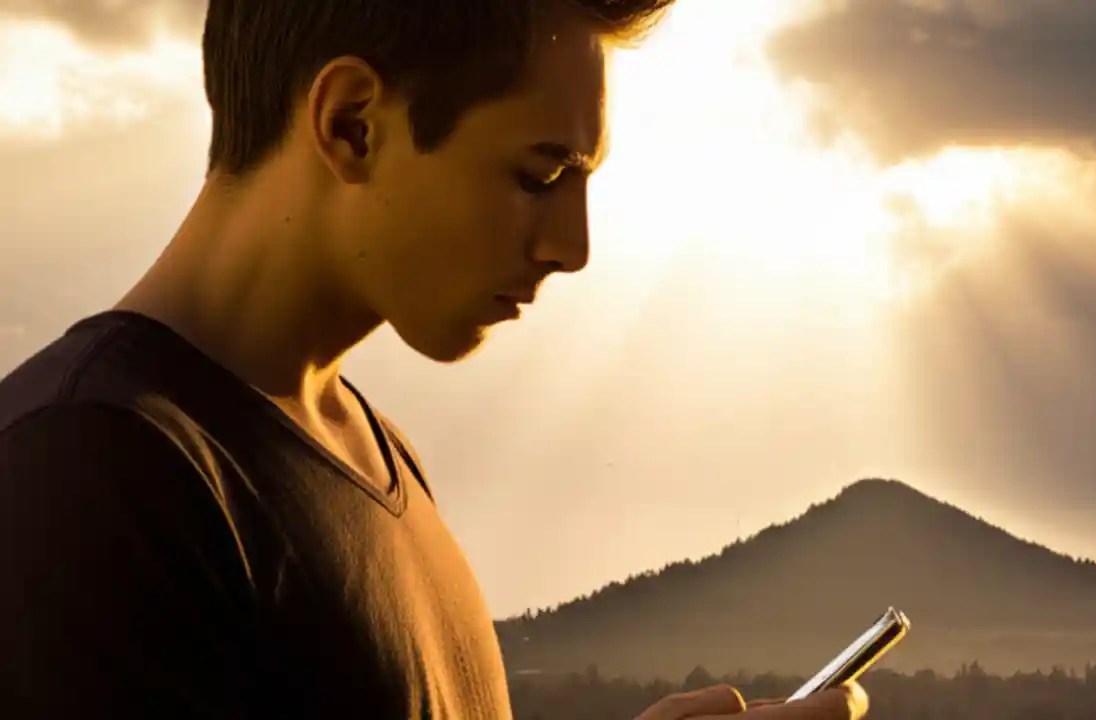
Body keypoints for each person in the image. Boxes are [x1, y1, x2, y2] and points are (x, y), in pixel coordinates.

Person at [0, 1, 868, 718]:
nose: (575, 248)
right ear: (352, 125)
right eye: (540, 174)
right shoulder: (83, 472)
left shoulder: (381, 463)